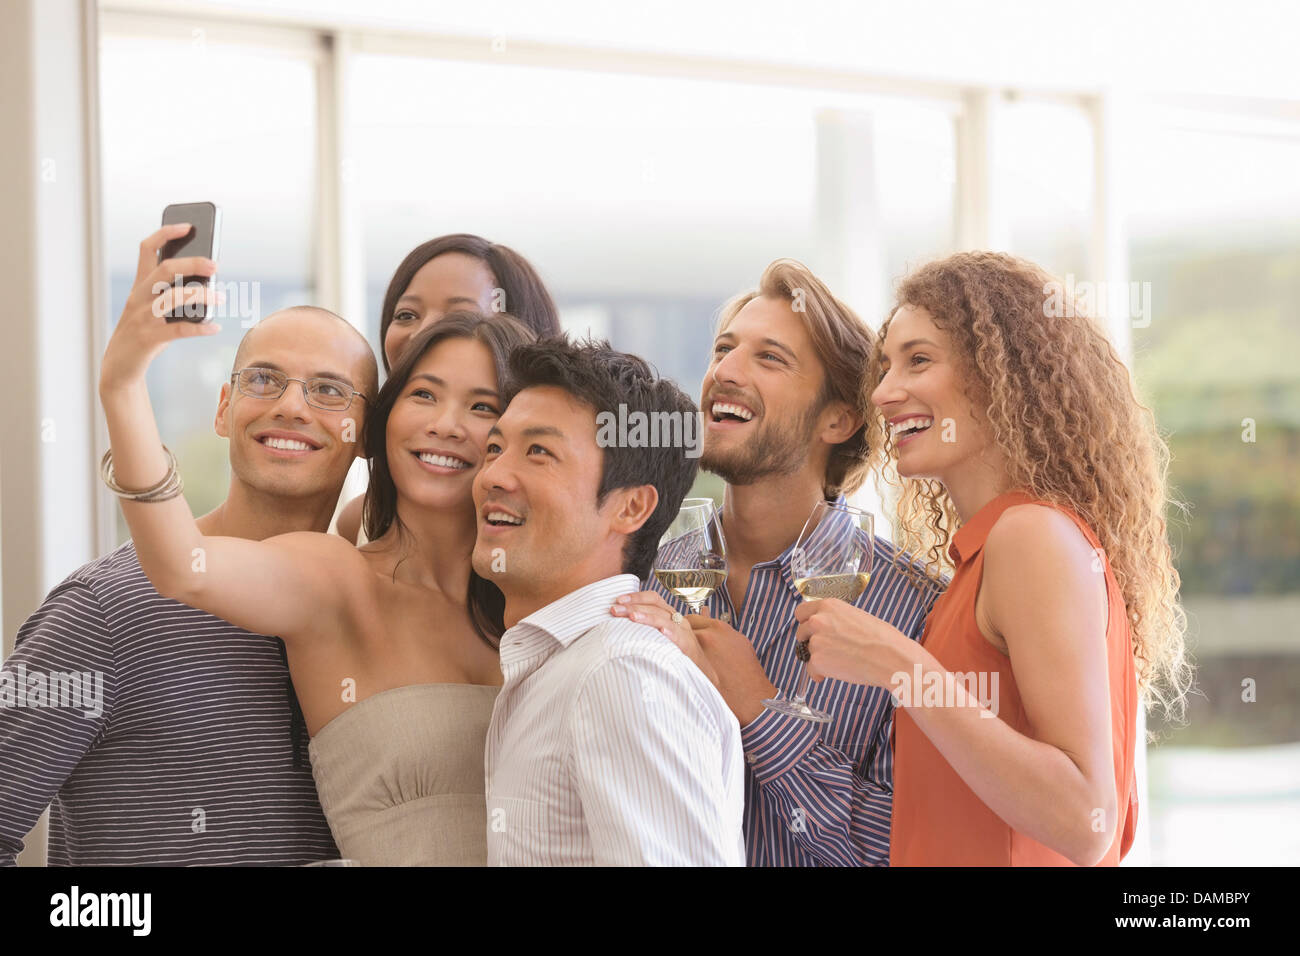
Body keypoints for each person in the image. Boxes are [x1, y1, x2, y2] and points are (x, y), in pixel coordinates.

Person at [97, 225, 536, 865]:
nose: (445, 424)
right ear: (379, 425)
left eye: (481, 406)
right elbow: (183, 568)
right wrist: (123, 382)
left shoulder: (530, 599)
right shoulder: (334, 573)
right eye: (423, 395)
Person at [800, 251, 1193, 866]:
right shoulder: (988, 554)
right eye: (884, 367)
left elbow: (1085, 819)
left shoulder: (1029, 537)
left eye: (918, 360)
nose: (882, 392)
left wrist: (901, 667)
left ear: (1001, 374)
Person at [0, 226, 377, 866]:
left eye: (329, 390)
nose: (291, 406)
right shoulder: (104, 610)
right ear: (225, 407)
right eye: (264, 380)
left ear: (366, 433)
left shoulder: (378, 610)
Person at [612, 258, 944, 866]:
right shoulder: (647, 579)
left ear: (838, 419)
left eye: (769, 359)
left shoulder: (916, 607)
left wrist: (762, 711)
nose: (725, 373)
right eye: (723, 350)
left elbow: (904, 848)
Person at [474, 337, 744, 865]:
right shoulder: (571, 666)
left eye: (539, 452)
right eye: (494, 447)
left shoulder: (621, 673)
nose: (491, 476)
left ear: (631, 507)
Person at [336, 234, 560, 544]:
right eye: (406, 315)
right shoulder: (362, 520)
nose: (422, 331)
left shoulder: (551, 533)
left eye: (460, 316)